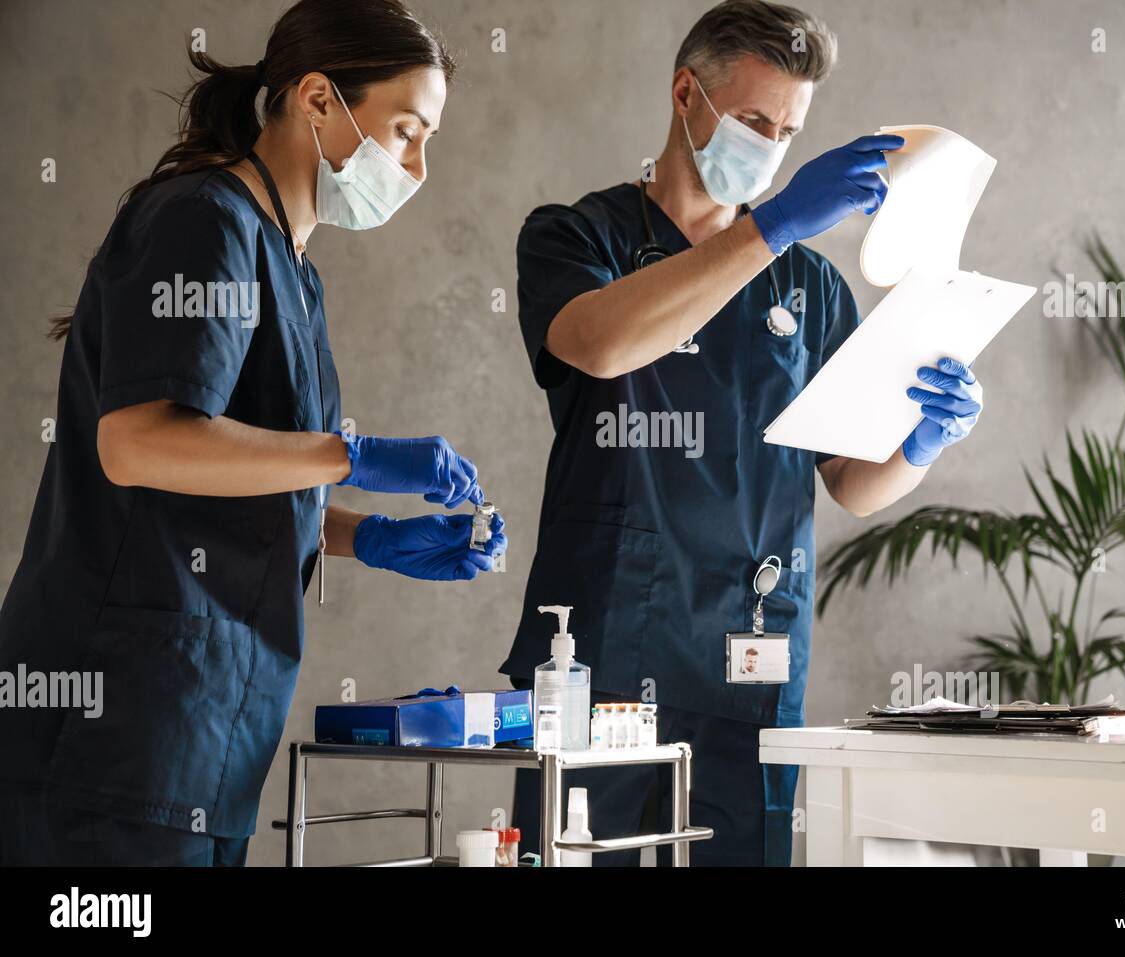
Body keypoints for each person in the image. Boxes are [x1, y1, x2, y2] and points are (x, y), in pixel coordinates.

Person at [0, 0, 505, 866]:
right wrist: (355, 455)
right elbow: (140, 444)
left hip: (205, 738)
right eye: (406, 129)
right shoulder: (204, 220)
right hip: (117, 724)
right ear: (317, 98)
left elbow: (234, 478)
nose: (419, 167)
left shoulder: (291, 267)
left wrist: (365, 537)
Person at [504, 0, 983, 865]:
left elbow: (849, 478)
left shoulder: (811, 288)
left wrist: (922, 442)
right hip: (604, 652)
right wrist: (770, 228)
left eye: (789, 130)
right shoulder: (579, 237)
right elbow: (602, 344)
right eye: (755, 120)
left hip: (750, 656)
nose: (771, 146)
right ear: (686, 93)